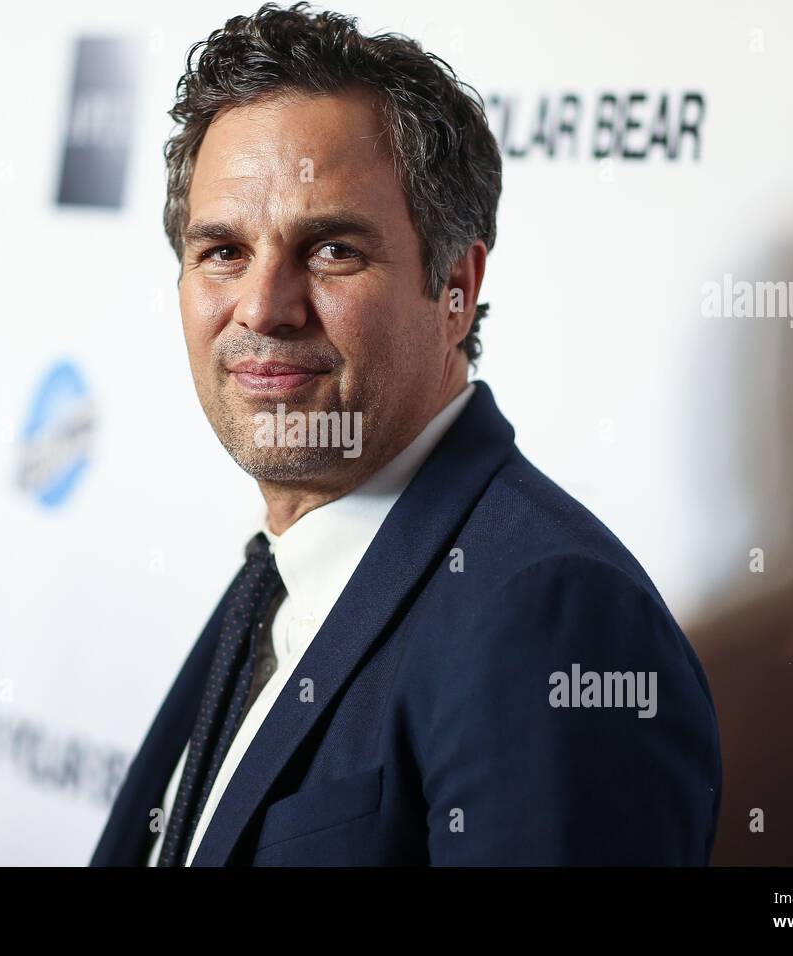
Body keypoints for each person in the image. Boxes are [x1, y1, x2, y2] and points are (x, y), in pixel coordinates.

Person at [90, 2, 721, 866]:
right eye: (224, 252)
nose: (264, 308)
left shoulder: (553, 621)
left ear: (455, 284)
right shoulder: (278, 574)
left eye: (332, 250)